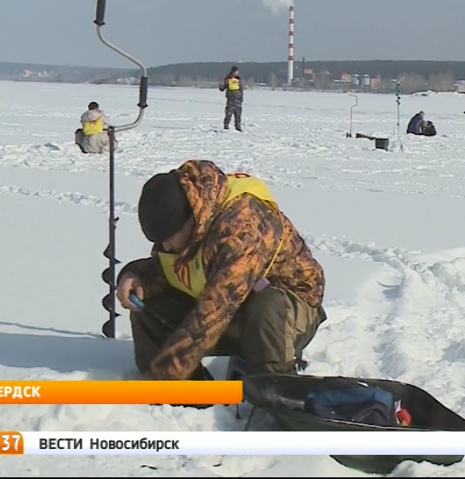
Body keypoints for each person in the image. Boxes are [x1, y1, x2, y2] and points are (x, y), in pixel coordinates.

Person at [116, 159, 327, 385]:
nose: (165, 248)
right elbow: (170, 270)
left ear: (188, 221)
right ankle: (183, 394)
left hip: (288, 311)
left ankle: (275, 388)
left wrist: (169, 367)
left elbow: (219, 306)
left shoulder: (242, 224)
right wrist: (136, 276)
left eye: (168, 240)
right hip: (234, 311)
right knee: (147, 303)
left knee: (265, 306)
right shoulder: (193, 217)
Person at [218, 66, 244, 132]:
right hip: (230, 101)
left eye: (237, 72)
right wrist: (221, 85)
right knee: (228, 115)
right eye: (235, 72)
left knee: (238, 116)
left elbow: (241, 90)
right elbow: (222, 88)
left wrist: (241, 98)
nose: (236, 73)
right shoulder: (227, 80)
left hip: (238, 101)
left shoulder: (239, 80)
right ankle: (226, 127)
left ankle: (238, 128)